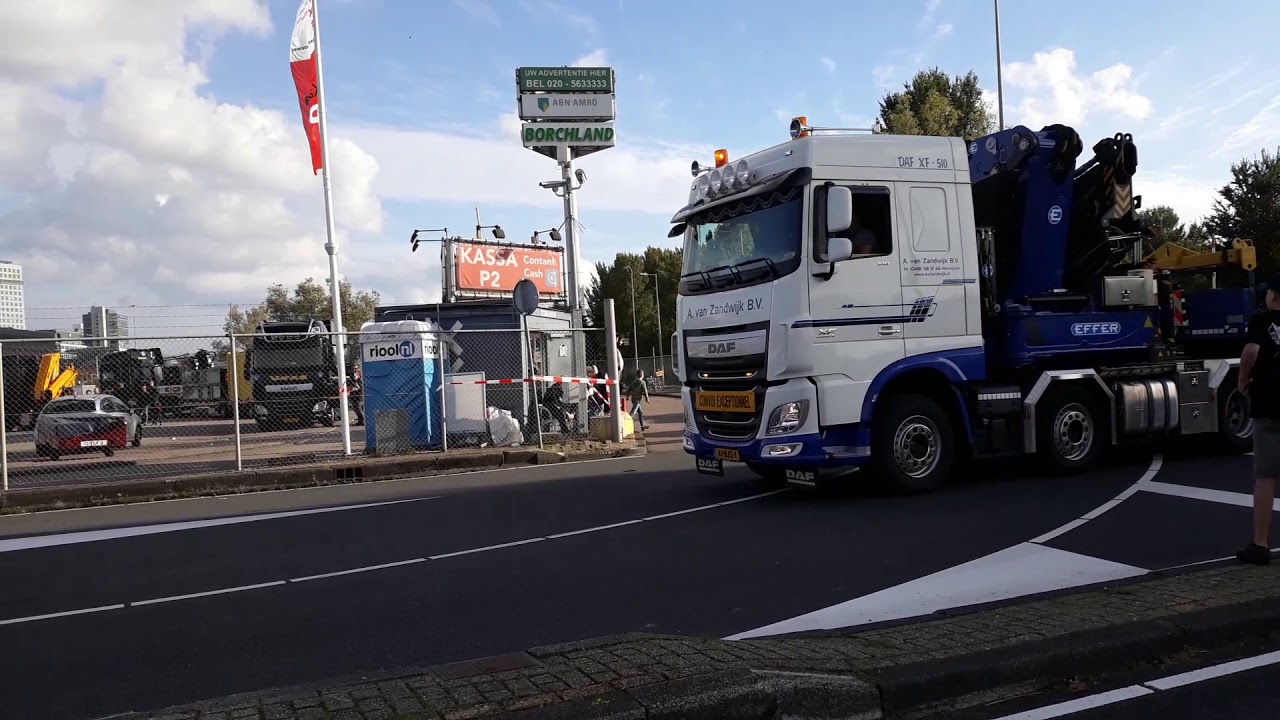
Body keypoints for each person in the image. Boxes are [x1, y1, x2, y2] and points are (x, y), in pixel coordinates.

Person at [1236, 273, 1280, 565]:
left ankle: (1260, 544)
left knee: (1265, 477)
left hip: (1270, 406)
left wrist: (1242, 380)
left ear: (1273, 296)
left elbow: (1251, 350)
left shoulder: (1262, 321)